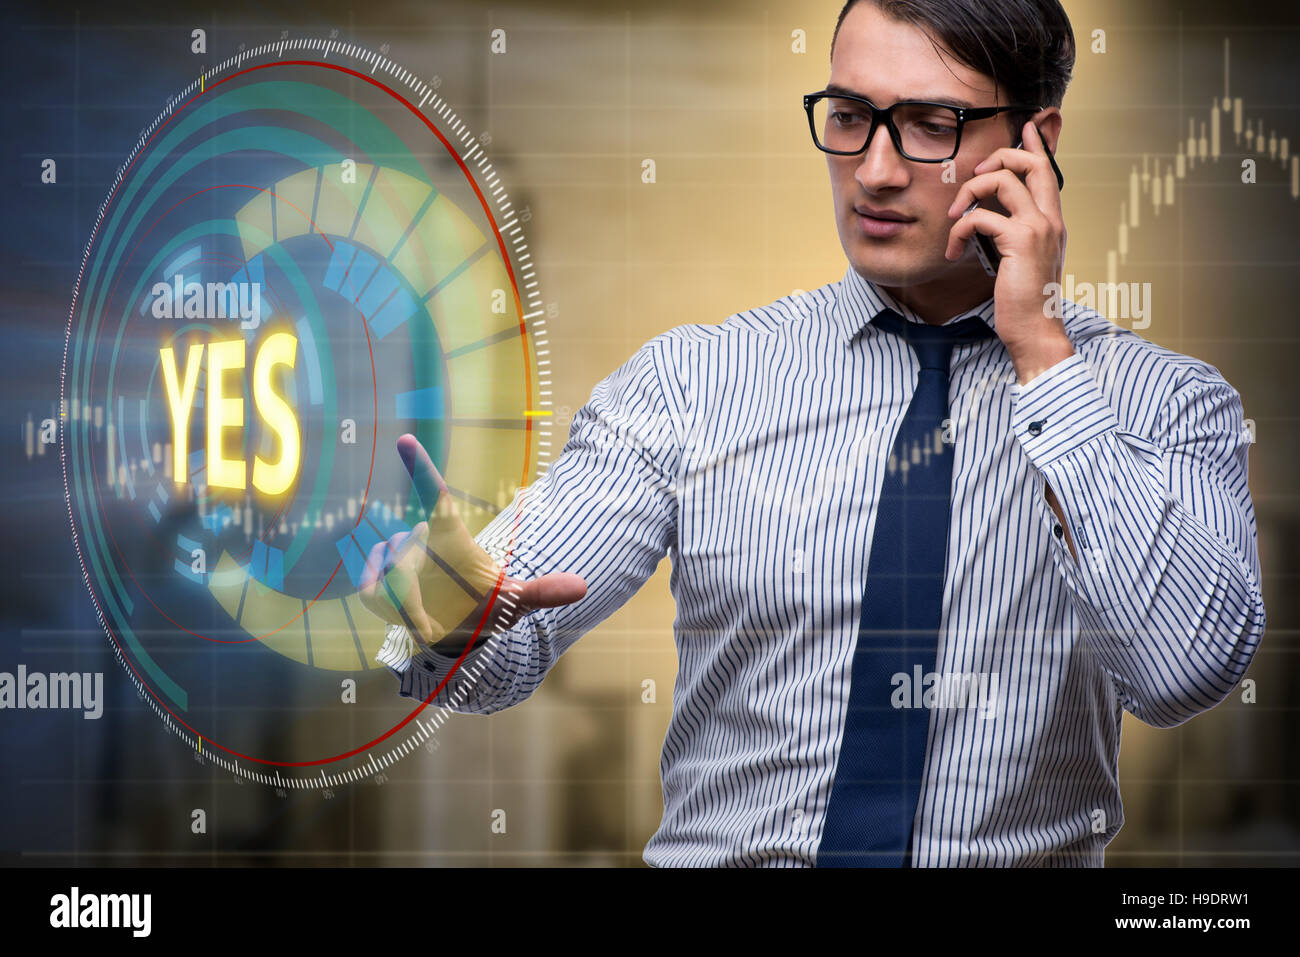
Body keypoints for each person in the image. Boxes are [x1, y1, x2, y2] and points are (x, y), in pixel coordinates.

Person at [360, 0, 1266, 867]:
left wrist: (1043, 354)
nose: (874, 170)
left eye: (931, 123)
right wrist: (447, 618)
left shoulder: (1166, 405)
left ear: (1037, 143)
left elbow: (1180, 670)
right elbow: (503, 643)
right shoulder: (693, 383)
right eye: (849, 116)